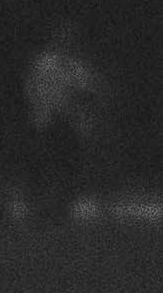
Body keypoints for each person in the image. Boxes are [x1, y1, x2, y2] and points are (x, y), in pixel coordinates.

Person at [22, 24, 105, 224]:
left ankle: (59, 209)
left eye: (69, 38)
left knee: (67, 168)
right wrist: (40, 111)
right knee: (43, 167)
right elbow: (30, 89)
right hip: (44, 124)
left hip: (67, 126)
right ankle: (38, 209)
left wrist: (83, 118)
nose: (66, 41)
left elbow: (91, 92)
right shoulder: (43, 63)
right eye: (62, 37)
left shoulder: (76, 66)